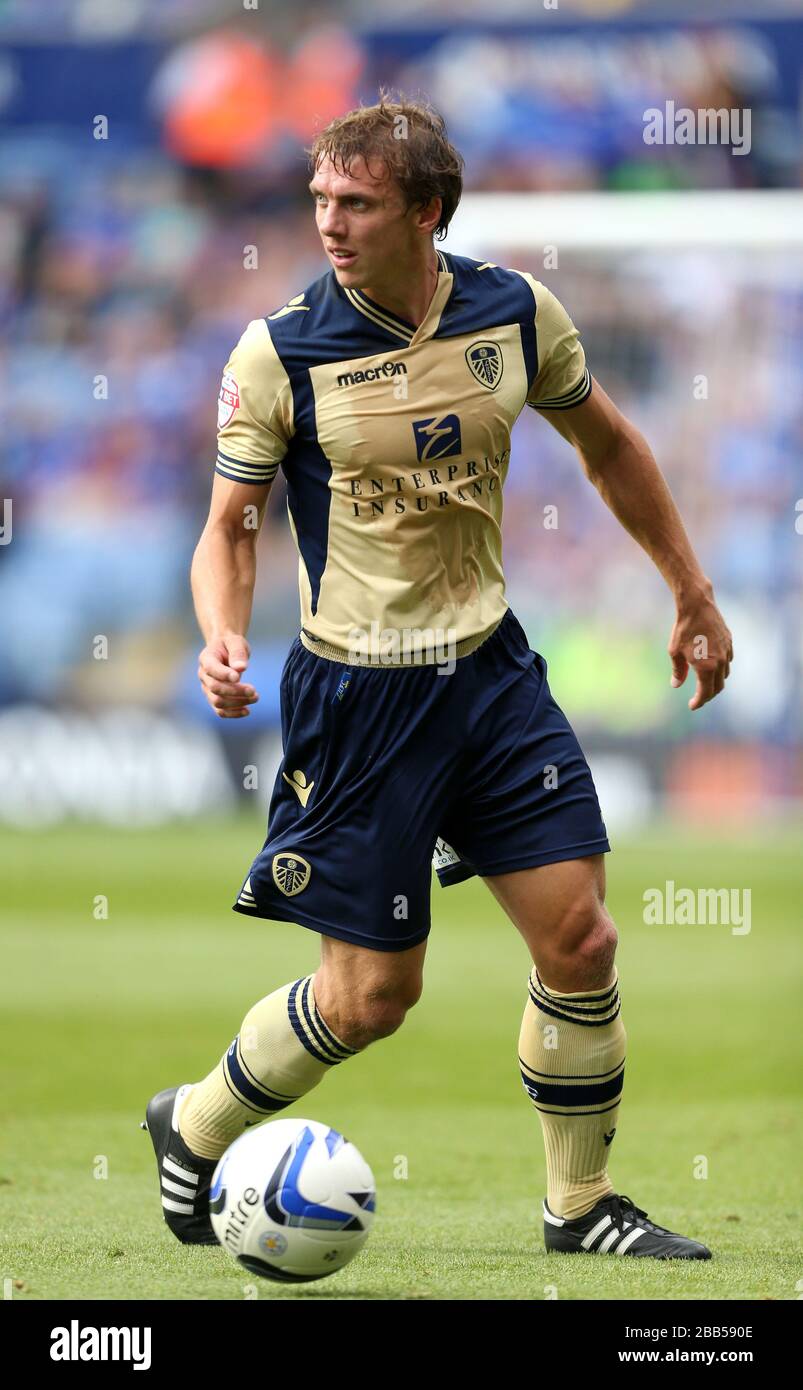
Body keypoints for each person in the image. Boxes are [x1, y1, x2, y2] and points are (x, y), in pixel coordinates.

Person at [143, 93, 732, 1261]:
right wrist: (221, 630)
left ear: (429, 211)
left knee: (582, 943)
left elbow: (607, 444)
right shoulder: (280, 349)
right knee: (371, 1000)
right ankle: (193, 1121)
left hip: (491, 674)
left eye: (355, 203)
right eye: (318, 199)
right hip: (358, 697)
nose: (328, 222)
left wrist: (690, 588)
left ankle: (579, 1206)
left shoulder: (515, 313)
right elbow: (229, 526)